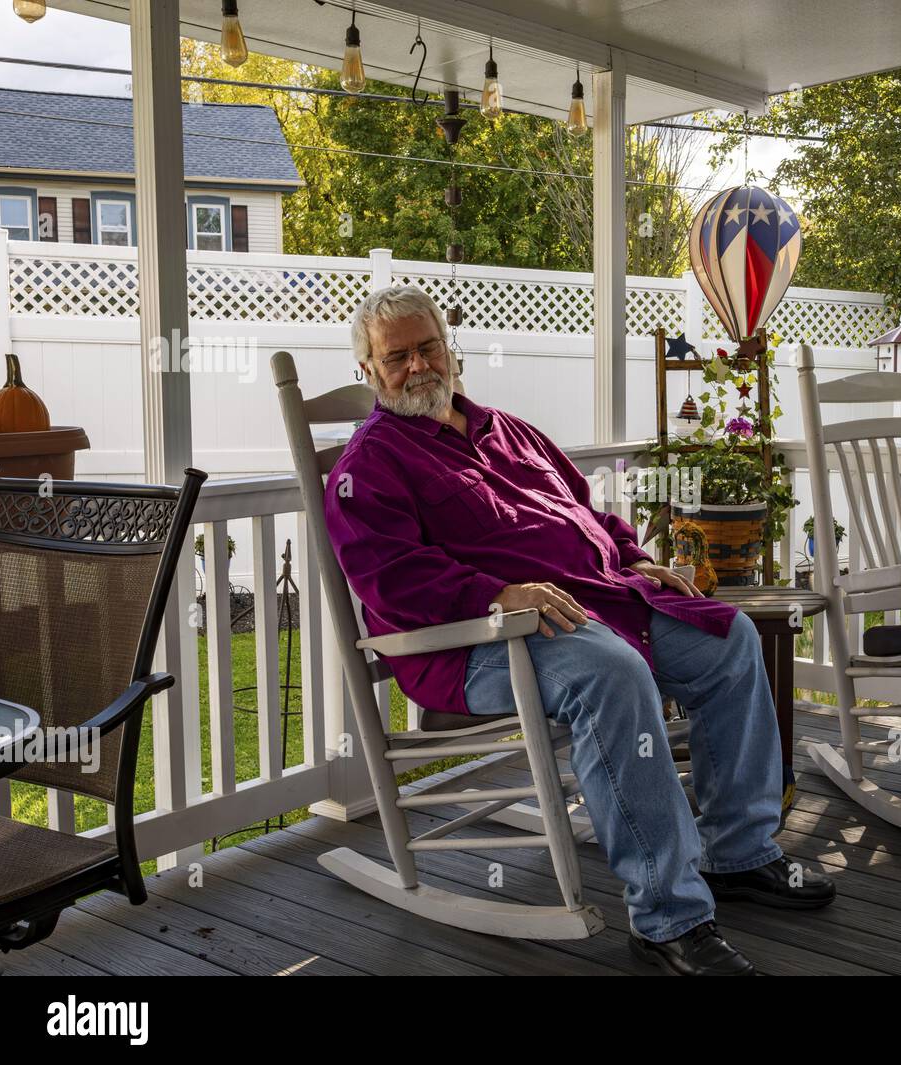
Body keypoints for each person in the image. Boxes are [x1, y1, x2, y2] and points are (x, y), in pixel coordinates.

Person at [324, 286, 834, 975]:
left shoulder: (509, 430)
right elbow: (391, 578)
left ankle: (739, 852)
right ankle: (668, 918)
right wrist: (498, 594)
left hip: (600, 603)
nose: (417, 366)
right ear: (369, 371)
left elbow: (586, 514)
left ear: (451, 349)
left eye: (428, 347)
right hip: (475, 641)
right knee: (612, 674)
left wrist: (638, 560)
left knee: (730, 639)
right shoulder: (371, 464)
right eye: (396, 357)